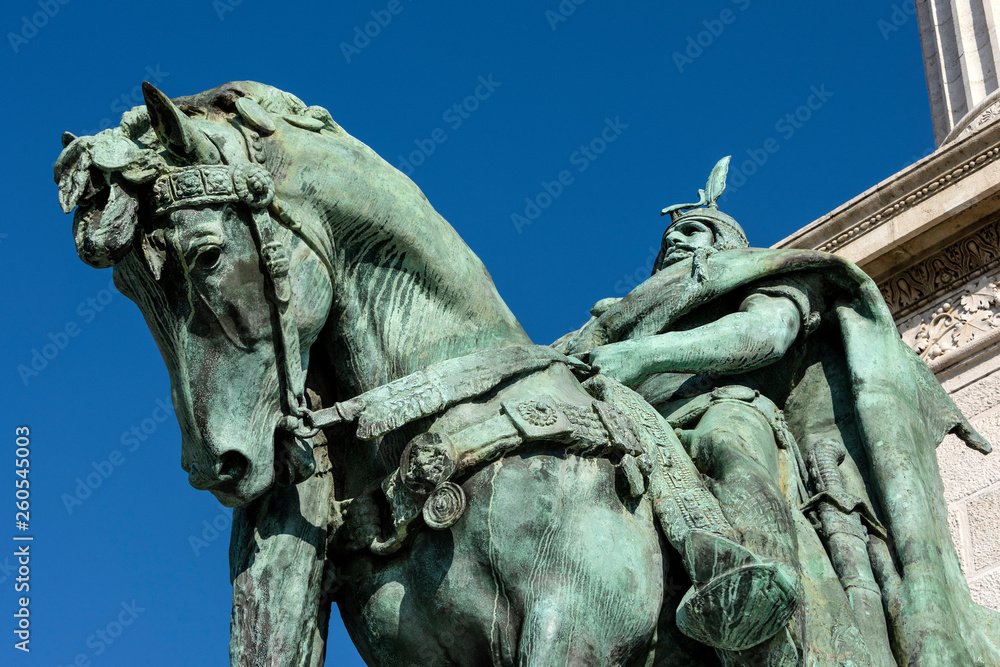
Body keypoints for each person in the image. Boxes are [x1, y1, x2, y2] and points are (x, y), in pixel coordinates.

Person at [558, 157, 1000, 665]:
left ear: (724, 246)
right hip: (618, 420)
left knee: (725, 440)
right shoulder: (610, 315)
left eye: (696, 231)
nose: (677, 241)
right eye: (669, 240)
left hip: (724, 407)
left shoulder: (760, 276)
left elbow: (763, 334)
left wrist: (645, 355)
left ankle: (762, 605)